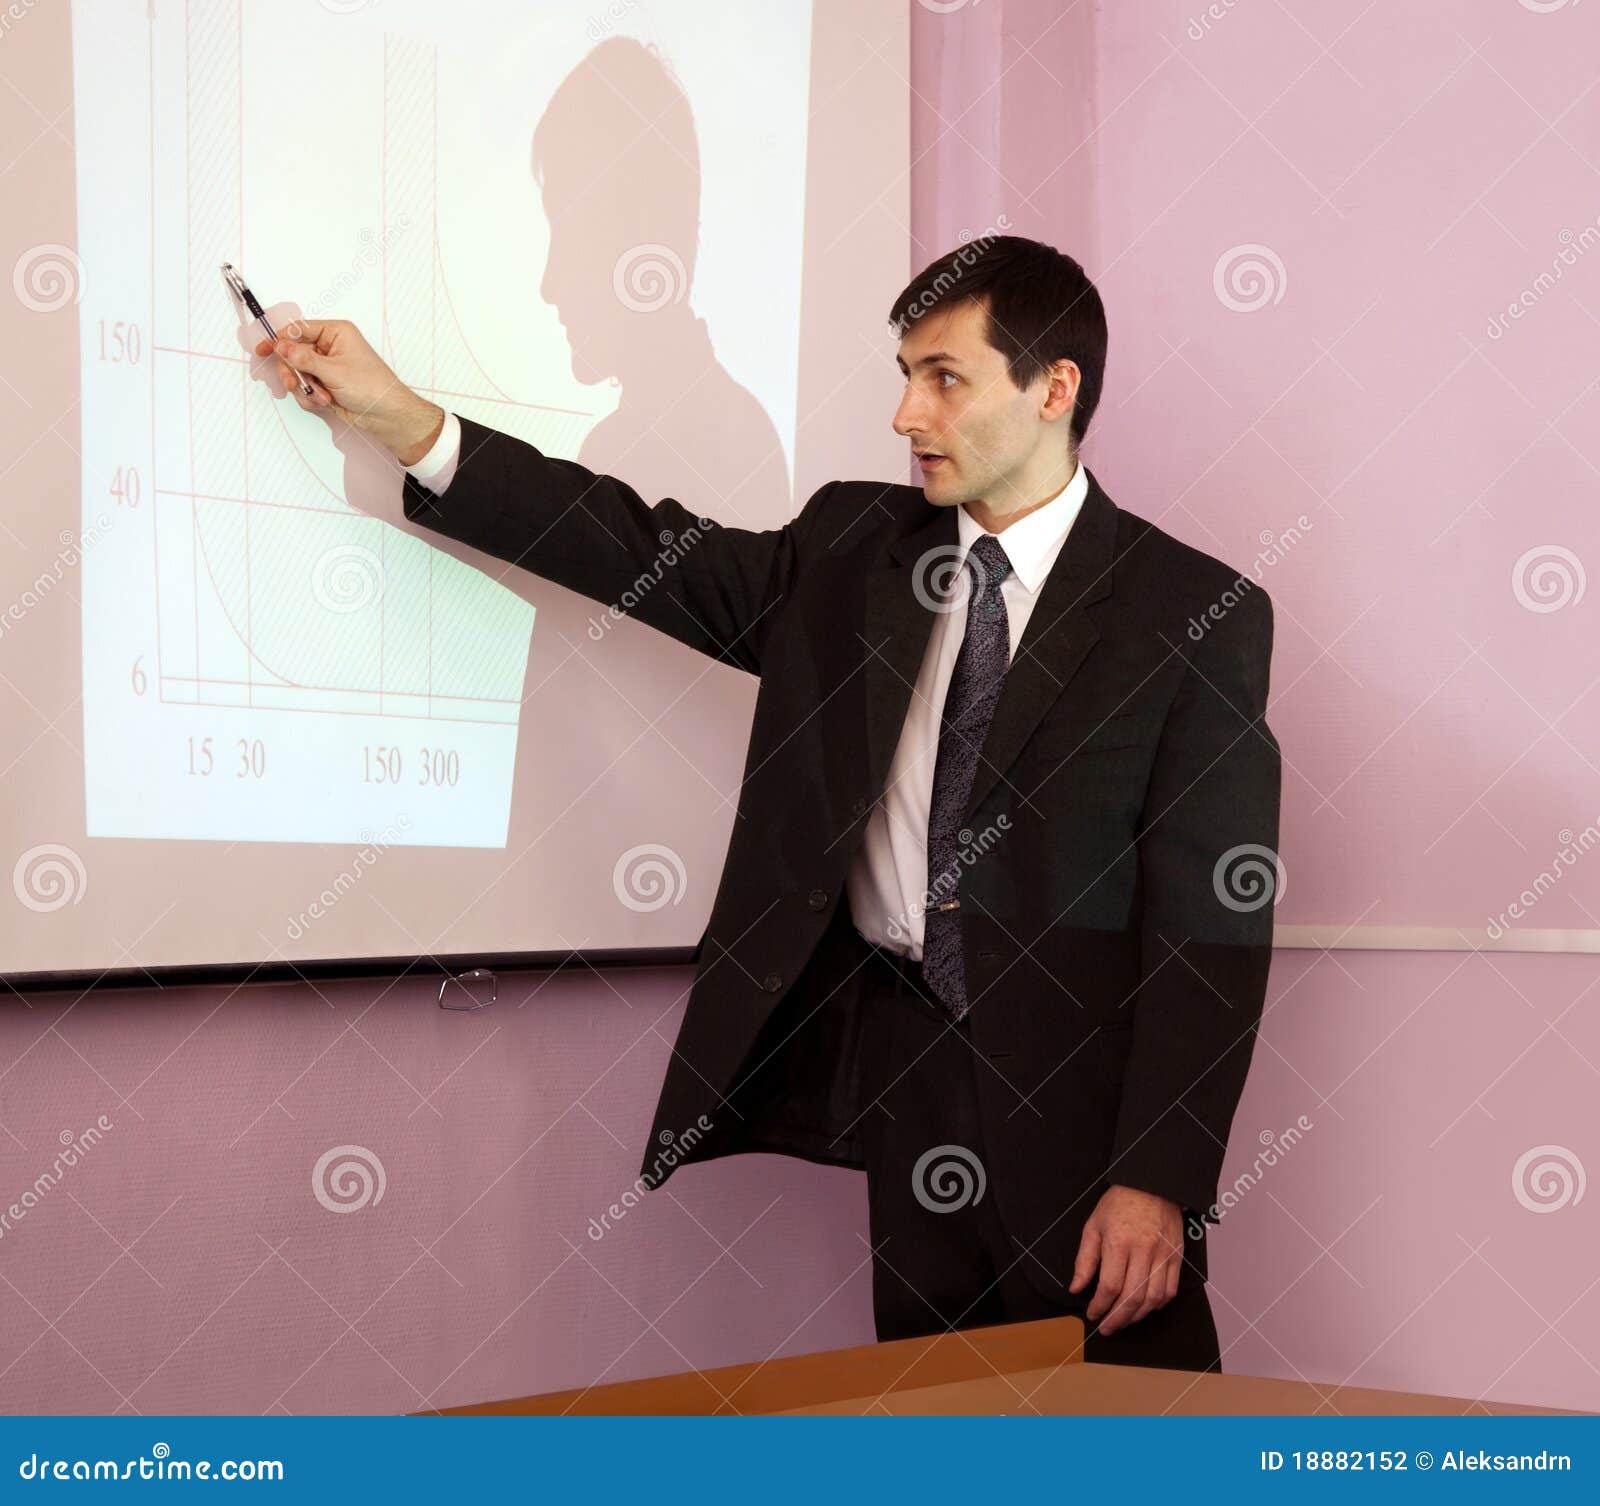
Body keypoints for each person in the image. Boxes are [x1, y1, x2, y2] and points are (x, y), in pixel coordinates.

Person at [257, 235, 1281, 1371]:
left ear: (1053, 388)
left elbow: (1211, 934)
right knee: (941, 1424)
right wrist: (406, 423)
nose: (905, 414)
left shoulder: (1193, 612)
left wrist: (1159, 1178)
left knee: (1138, 1441)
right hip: (906, 1072)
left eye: (943, 377)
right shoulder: (852, 551)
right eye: (904, 374)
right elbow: (638, 549)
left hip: (1091, 1120)